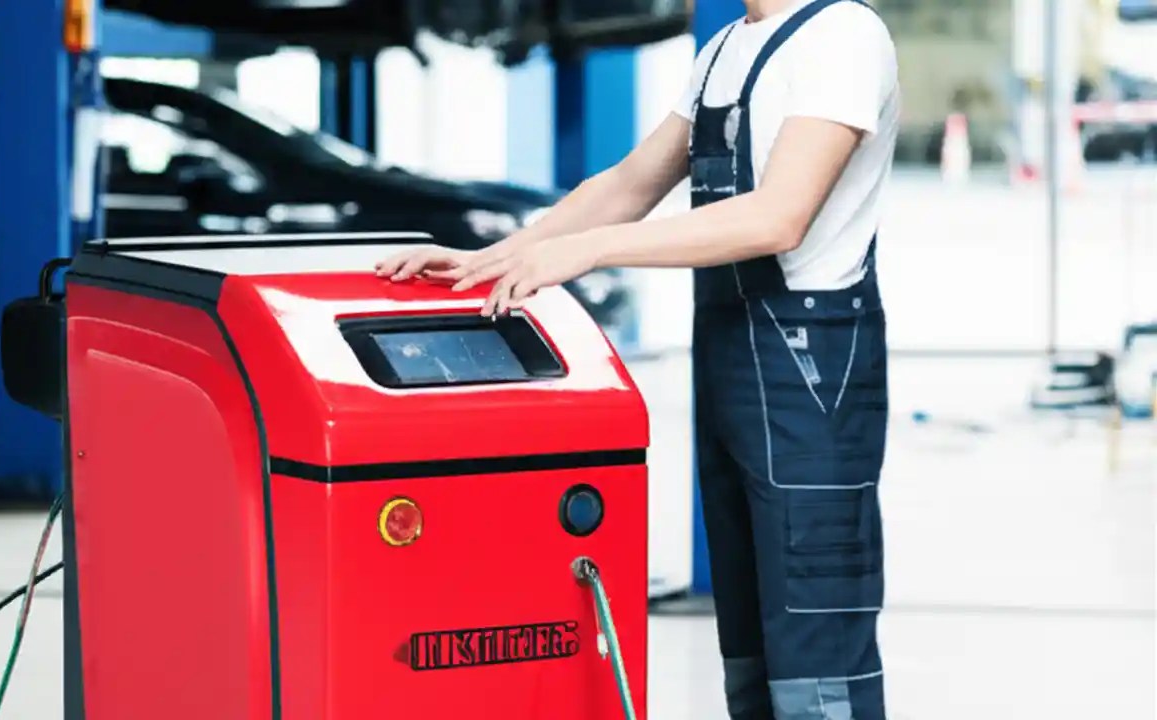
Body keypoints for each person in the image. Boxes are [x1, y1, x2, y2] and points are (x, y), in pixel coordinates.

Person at [375, 0, 899, 717]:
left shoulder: (843, 35)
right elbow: (628, 185)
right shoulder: (725, 50)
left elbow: (780, 215)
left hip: (814, 379)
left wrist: (588, 252)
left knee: (817, 657)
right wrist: (492, 259)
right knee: (751, 653)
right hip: (733, 369)